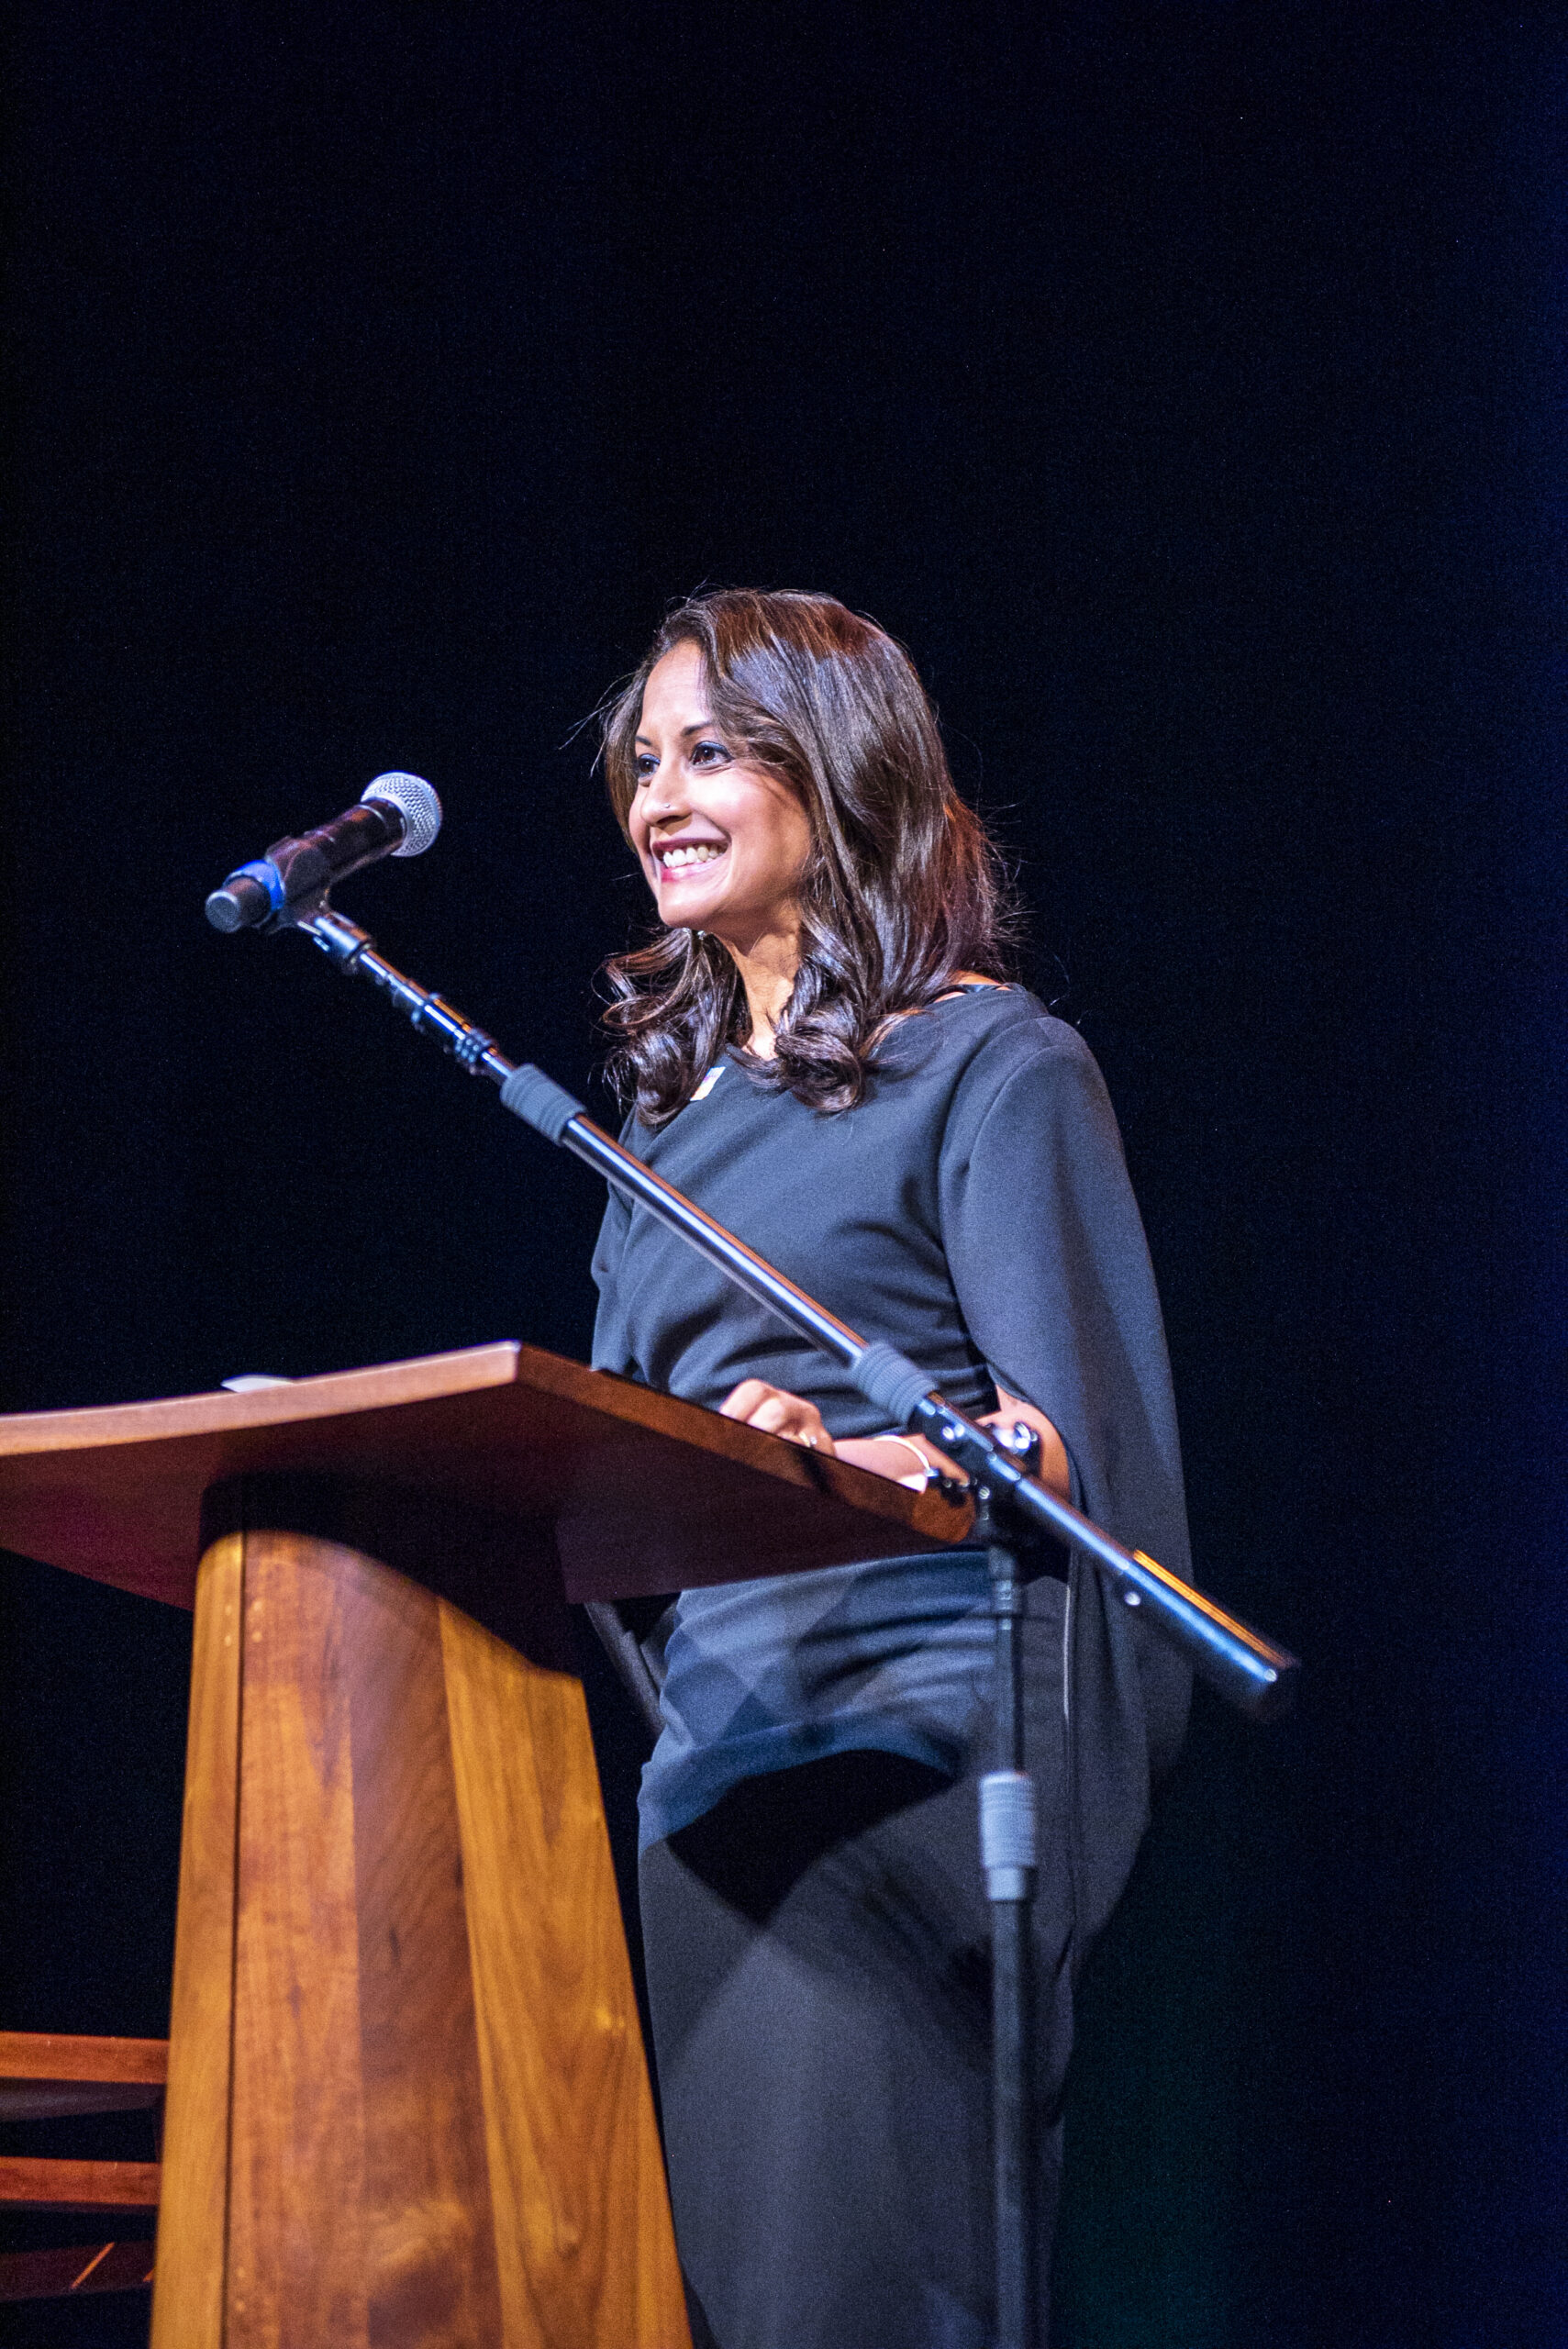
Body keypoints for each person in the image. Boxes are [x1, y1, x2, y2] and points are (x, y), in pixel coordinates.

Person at [588, 589, 1191, 2349]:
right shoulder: (667, 1133)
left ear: (836, 772)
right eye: (641, 763)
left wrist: (832, 1453)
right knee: (738, 2298)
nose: (657, 797)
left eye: (710, 750)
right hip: (713, 1771)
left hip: (912, 1749)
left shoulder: (987, 1064)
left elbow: (1066, 1448)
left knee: (865, 2281)